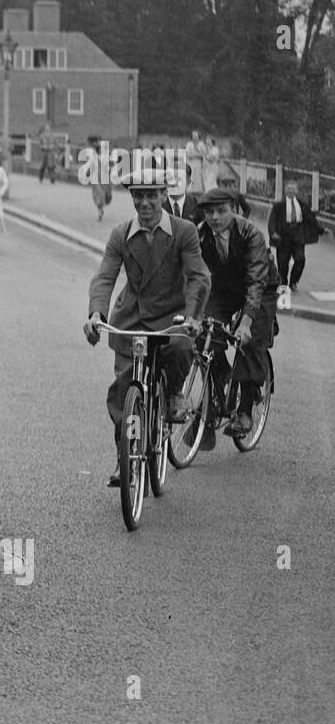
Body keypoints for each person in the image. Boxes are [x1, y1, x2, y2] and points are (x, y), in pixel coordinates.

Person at [84, 167, 210, 487]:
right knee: (123, 394)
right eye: (138, 196)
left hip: (173, 315)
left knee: (181, 346)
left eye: (151, 195)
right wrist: (96, 314)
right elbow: (105, 277)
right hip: (133, 318)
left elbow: (198, 277)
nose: (145, 203)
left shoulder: (184, 232)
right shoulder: (121, 234)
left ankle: (171, 394)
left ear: (164, 195)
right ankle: (125, 458)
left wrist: (193, 316)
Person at [197, 187, 277, 438]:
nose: (215, 217)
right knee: (204, 333)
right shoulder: (200, 235)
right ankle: (221, 376)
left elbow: (255, 282)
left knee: (250, 339)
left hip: (261, 288)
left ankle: (244, 410)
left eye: (221, 211)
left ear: (234, 209)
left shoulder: (251, 234)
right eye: (209, 212)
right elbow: (192, 273)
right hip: (225, 288)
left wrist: (245, 322)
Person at [268, 179, 324, 295]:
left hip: (298, 235)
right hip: (283, 237)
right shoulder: (278, 206)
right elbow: (272, 220)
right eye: (288, 188)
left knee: (300, 259)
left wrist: (322, 230)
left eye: (293, 189)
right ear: (285, 191)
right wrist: (273, 232)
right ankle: (283, 284)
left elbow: (311, 219)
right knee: (283, 262)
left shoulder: (302, 205)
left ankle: (293, 282)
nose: (290, 191)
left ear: (297, 191)